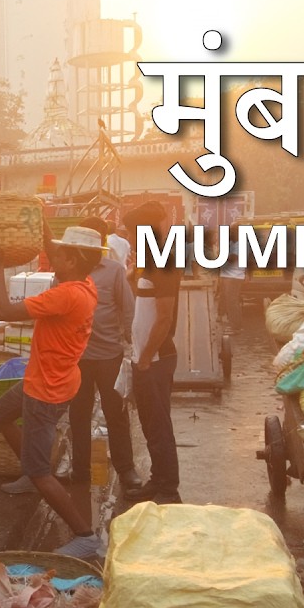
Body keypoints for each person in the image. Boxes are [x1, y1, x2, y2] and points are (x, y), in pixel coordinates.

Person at [0, 226, 104, 559]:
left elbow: (3, 312)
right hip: (55, 379)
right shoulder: (85, 285)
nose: (53, 257)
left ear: (74, 259)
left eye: (60, 254)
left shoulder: (65, 295)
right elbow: (59, 251)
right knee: (1, 413)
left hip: (45, 389)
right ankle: (29, 470)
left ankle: (85, 536)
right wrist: (44, 228)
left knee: (43, 474)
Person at [66, 217, 141, 508]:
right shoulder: (70, 271)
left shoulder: (113, 270)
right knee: (79, 416)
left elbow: (128, 308)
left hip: (109, 356)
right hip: (78, 358)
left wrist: (131, 345)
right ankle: (80, 470)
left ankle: (126, 470)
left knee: (116, 414)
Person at [124, 201, 184, 505]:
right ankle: (157, 480)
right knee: (149, 424)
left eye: (133, 232)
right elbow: (140, 299)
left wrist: (146, 356)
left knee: (159, 426)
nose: (130, 238)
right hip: (145, 358)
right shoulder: (149, 260)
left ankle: (168, 489)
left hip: (156, 359)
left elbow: (164, 318)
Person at [218, 220, 246, 333]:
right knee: (227, 300)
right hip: (227, 276)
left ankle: (236, 327)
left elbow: (232, 258)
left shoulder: (240, 244)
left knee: (232, 302)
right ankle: (229, 321)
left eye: (233, 230)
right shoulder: (232, 242)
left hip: (234, 277)